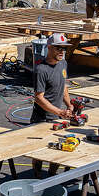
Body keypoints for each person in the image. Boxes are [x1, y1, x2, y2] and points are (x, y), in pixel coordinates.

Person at [29, 33, 75, 176]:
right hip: (41, 118)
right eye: (58, 48)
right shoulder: (41, 70)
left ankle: (51, 177)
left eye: (64, 49)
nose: (61, 51)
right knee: (38, 153)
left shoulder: (63, 63)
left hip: (57, 117)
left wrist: (69, 105)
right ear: (49, 48)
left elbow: (64, 85)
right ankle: (36, 177)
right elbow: (39, 98)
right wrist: (59, 112)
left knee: (57, 150)